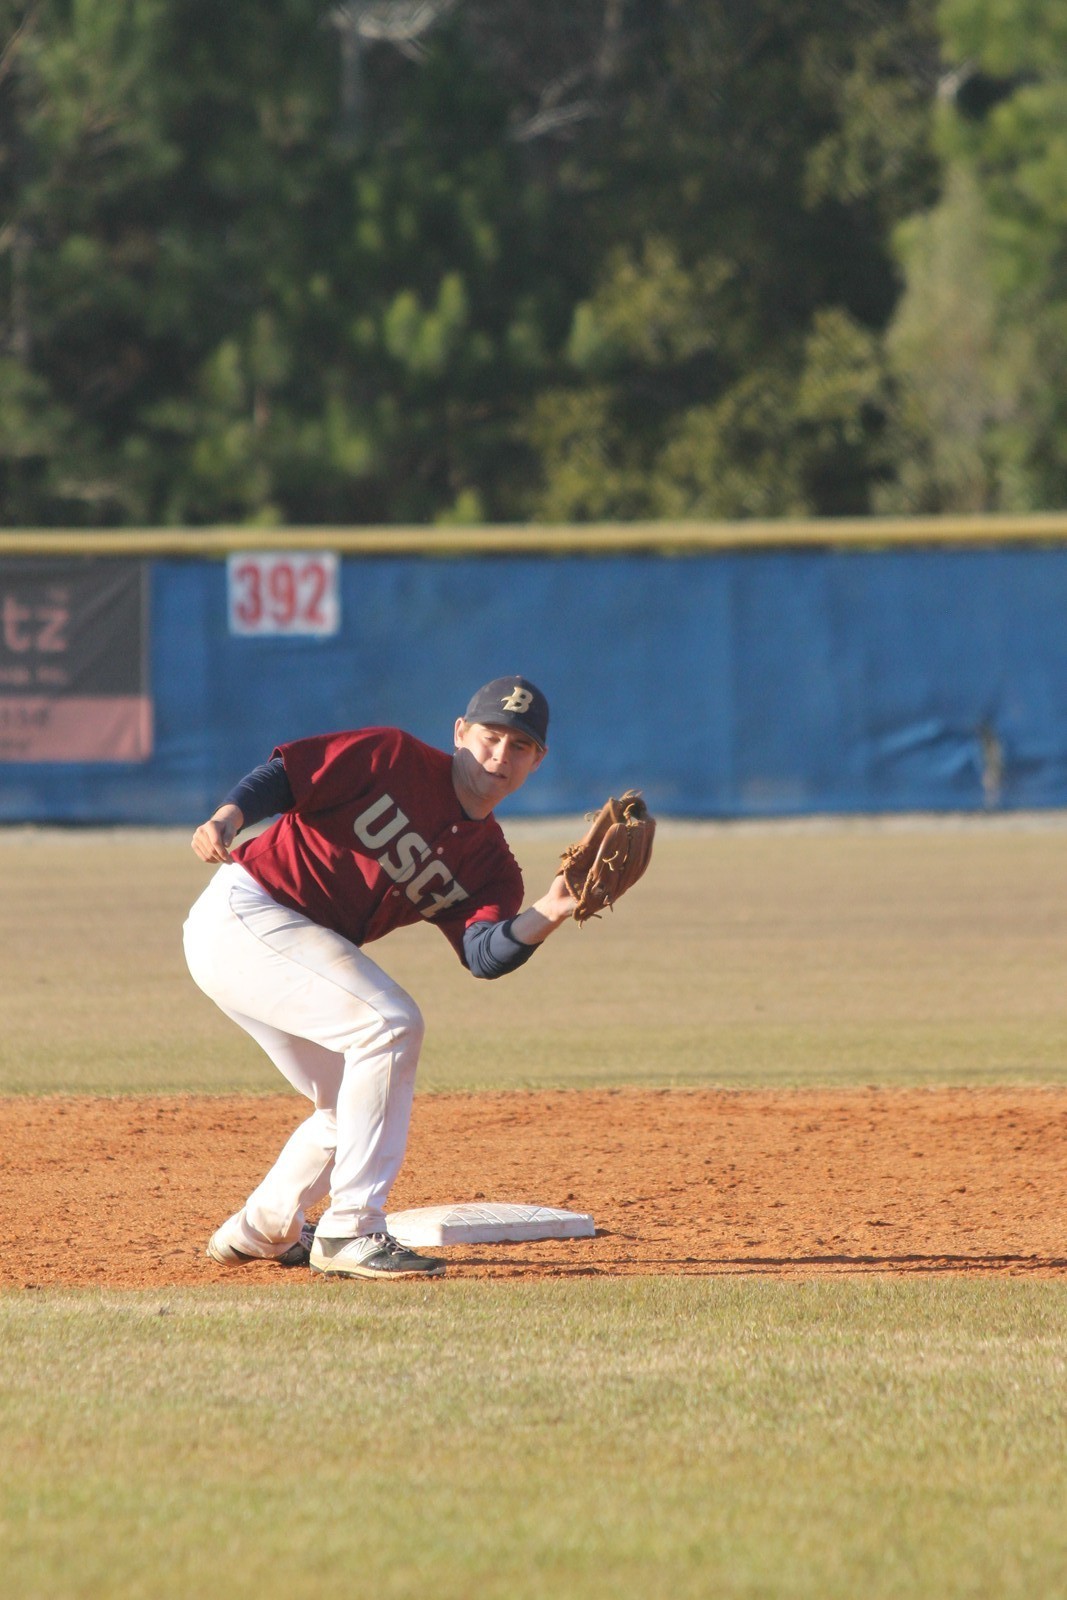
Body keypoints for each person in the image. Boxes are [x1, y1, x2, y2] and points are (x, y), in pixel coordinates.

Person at [182, 675, 576, 1280]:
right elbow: (289, 775)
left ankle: (261, 1229)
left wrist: (549, 912)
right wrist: (229, 814)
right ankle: (351, 1229)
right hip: (248, 911)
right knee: (389, 1023)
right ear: (460, 733)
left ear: (537, 760)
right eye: (490, 736)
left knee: (352, 1102)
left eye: (518, 746)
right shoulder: (390, 756)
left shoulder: (494, 867)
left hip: (297, 946)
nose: (500, 756)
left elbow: (483, 954)